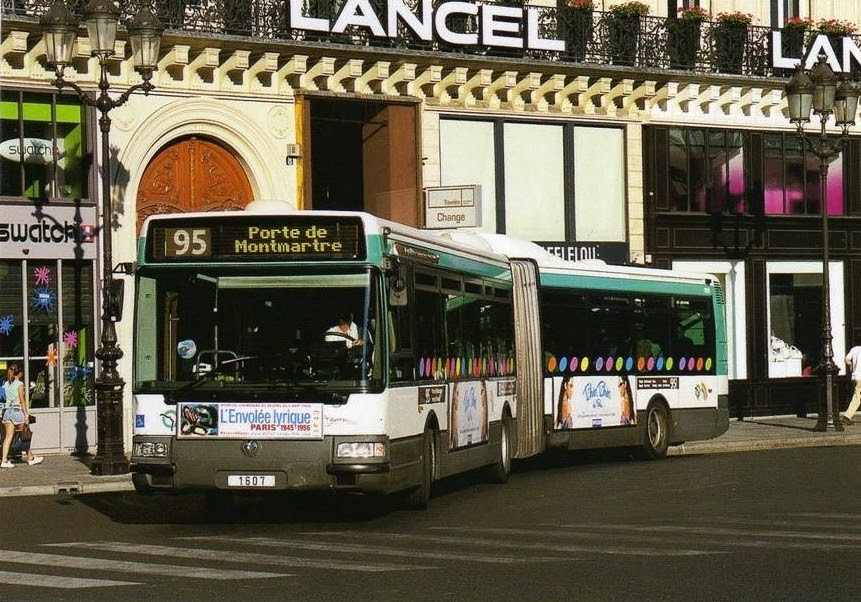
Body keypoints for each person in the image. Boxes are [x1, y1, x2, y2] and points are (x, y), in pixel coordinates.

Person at [1, 363, 43, 468]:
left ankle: (4, 460)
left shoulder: (6, 384)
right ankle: (30, 458)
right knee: (25, 434)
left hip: (7, 412)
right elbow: (22, 400)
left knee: (8, 437)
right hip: (16, 411)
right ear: (19, 373)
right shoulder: (19, 384)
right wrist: (26, 414)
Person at [842, 344, 861, 425]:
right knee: (857, 397)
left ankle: (847, 416)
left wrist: (853, 367)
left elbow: (847, 360)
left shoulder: (855, 349)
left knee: (857, 396)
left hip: (854, 377)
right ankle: (847, 416)